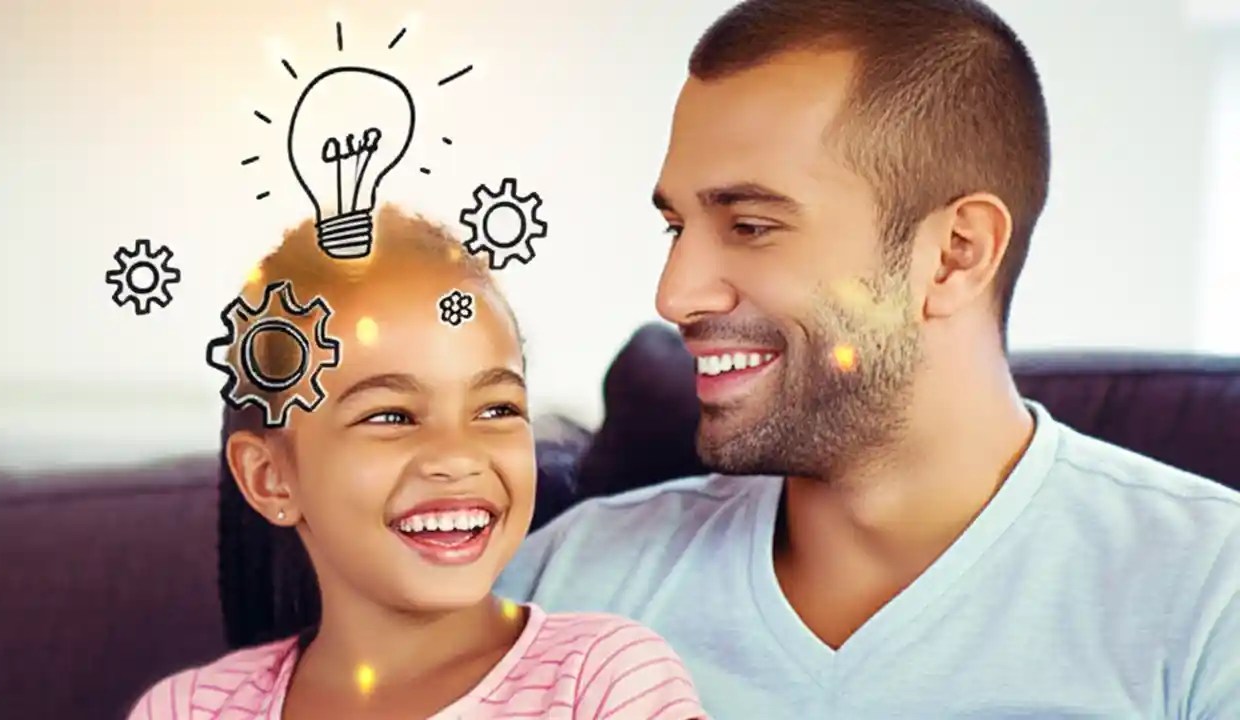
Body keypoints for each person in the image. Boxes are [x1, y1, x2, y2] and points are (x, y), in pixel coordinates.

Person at [495, 0, 1240, 717]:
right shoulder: (566, 580)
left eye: (750, 226)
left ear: (954, 256)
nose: (675, 294)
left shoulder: (1211, 596)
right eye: (675, 229)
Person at [127, 204, 706, 720]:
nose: (457, 456)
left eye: (497, 408)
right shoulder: (188, 708)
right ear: (270, 478)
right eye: (390, 416)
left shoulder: (603, 680)